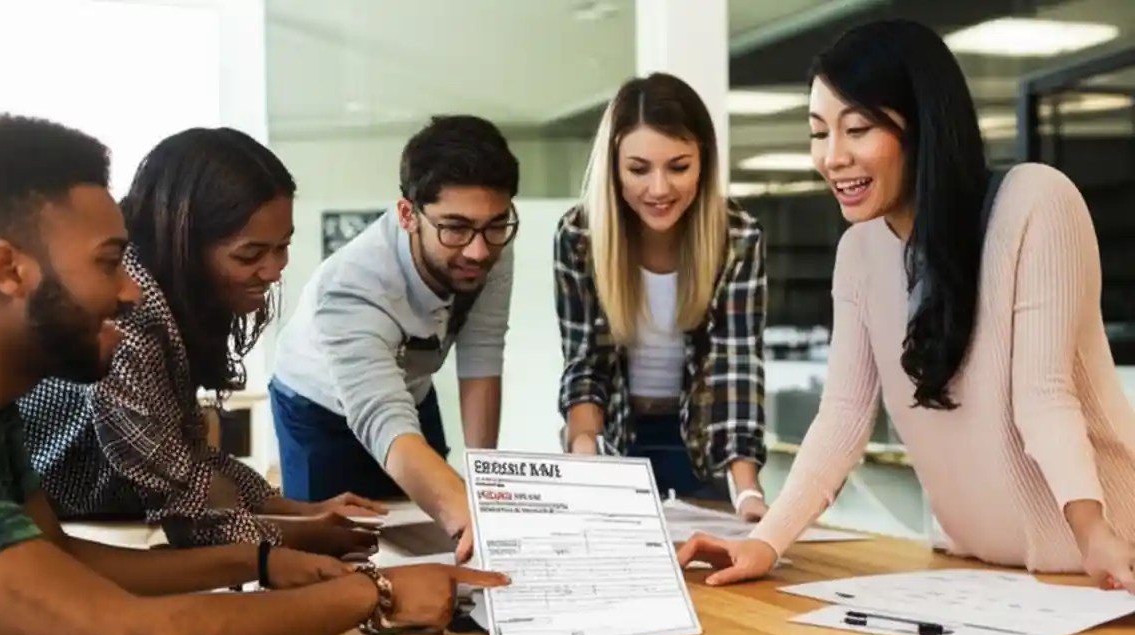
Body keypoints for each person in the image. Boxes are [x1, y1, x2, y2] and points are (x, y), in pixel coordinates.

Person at [0, 115, 507, 635]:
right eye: (109, 261)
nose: (132, 289)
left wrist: (257, 564)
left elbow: (59, 557)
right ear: (8, 269)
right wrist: (375, 593)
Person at [677, 19, 1135, 592]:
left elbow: (1043, 397)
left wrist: (1093, 531)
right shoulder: (861, 253)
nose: (832, 157)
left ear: (920, 127)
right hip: (983, 572)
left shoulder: (1035, 202)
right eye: (819, 133)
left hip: (1107, 562)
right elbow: (843, 416)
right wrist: (765, 540)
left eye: (858, 128)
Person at [19, 128, 381, 556]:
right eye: (250, 255)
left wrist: (294, 510)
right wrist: (299, 534)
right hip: (61, 531)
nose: (273, 271)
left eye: (282, 247)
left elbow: (187, 454)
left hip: (100, 523)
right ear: (185, 244)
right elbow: (183, 498)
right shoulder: (128, 313)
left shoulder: (173, 301)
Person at [270, 115, 518, 560]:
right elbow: (381, 416)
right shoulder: (351, 284)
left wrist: (486, 487)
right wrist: (463, 512)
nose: (479, 251)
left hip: (409, 388)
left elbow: (482, 355)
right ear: (408, 215)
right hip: (318, 407)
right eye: (455, 228)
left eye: (495, 225)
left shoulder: (488, 245)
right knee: (334, 552)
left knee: (435, 537)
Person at [555, 72, 769, 520]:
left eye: (678, 166)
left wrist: (748, 493)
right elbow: (584, 361)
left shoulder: (738, 236)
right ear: (614, 166)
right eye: (638, 169)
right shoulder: (579, 236)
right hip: (617, 435)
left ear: (704, 161)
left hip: (706, 439)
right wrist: (583, 455)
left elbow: (736, 365)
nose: (658, 189)